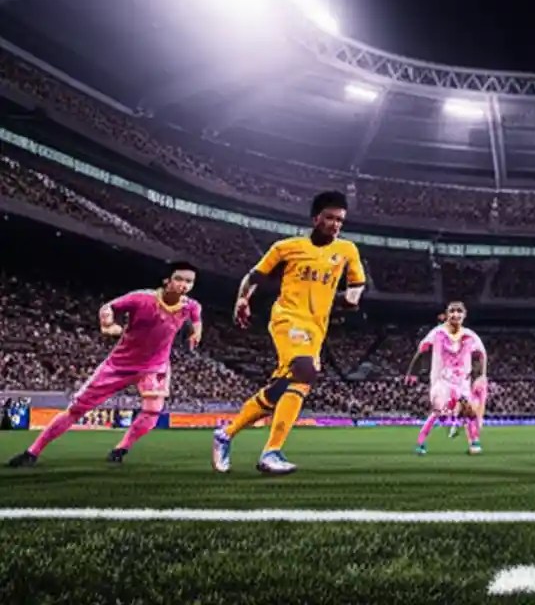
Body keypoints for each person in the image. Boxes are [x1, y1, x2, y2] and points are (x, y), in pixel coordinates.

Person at [212, 191, 366, 475]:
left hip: (316, 328)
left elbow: (357, 284)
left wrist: (350, 299)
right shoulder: (287, 247)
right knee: (306, 371)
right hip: (287, 318)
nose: (335, 224)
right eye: (330, 218)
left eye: (340, 220)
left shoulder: (347, 250)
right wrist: (242, 300)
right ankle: (271, 453)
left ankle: (226, 433)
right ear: (315, 218)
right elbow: (254, 276)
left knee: (284, 387)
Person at [9, 262, 202, 467]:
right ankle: (32, 452)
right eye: (179, 279)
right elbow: (109, 307)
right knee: (76, 409)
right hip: (119, 365)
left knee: (153, 410)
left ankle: (121, 449)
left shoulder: (191, 306)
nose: (184, 285)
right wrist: (107, 322)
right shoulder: (141, 298)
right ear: (167, 280)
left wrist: (197, 332)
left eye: (189, 281)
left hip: (155, 367)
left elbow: (196, 319)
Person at [405, 301, 487, 455]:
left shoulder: (470, 335)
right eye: (452, 311)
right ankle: (421, 443)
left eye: (459, 311)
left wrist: (481, 375)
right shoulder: (437, 333)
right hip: (441, 380)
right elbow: (421, 350)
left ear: (464, 315)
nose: (456, 314)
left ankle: (474, 442)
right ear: (447, 314)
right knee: (439, 411)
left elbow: (481, 355)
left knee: (468, 411)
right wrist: (412, 372)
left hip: (462, 381)